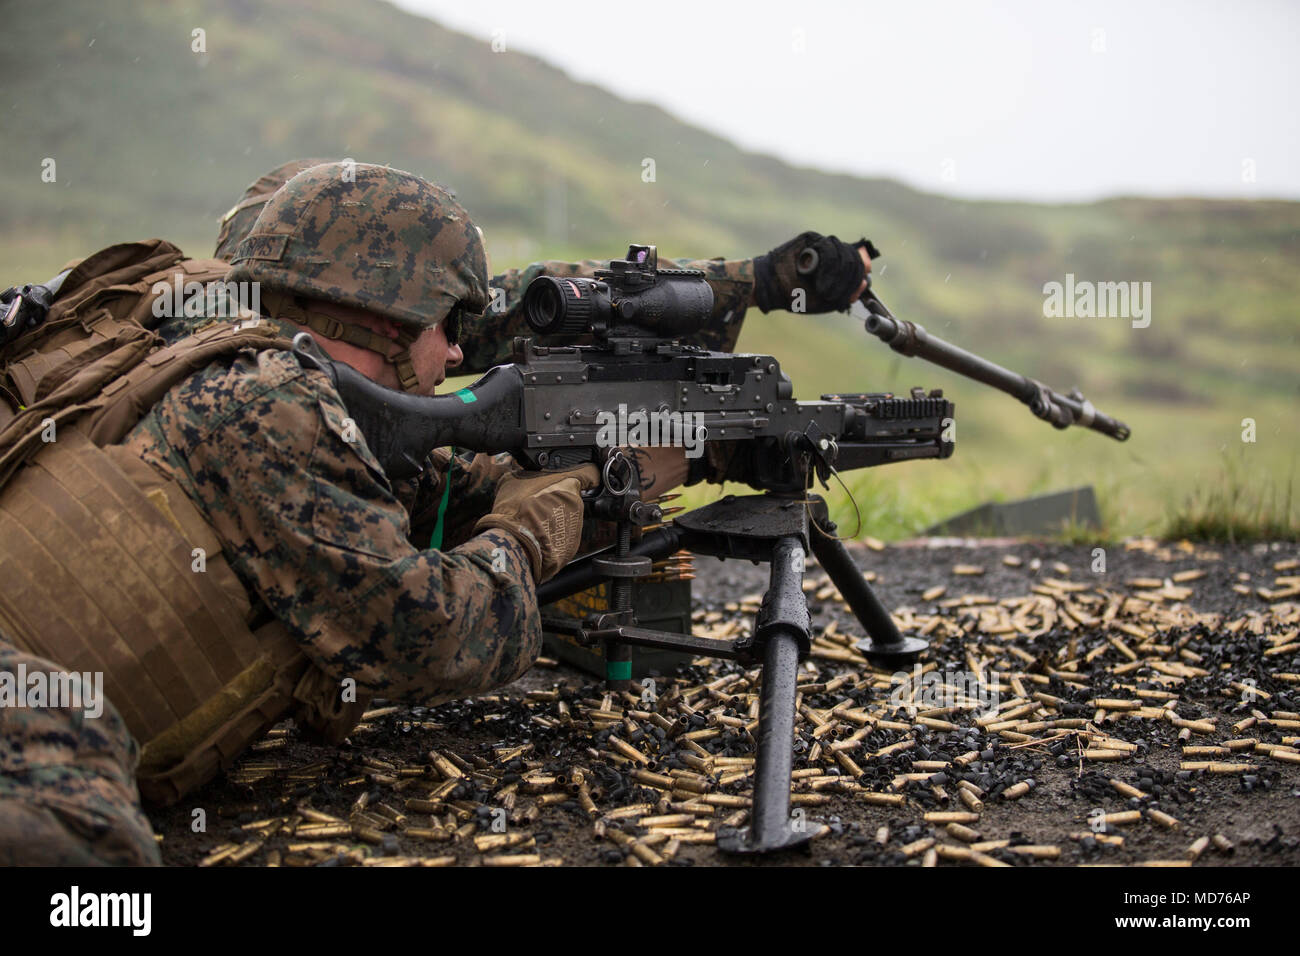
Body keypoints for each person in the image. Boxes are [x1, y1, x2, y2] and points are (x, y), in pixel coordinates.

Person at [0, 160, 874, 865]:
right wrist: (543, 523)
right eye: (447, 323)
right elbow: (440, 637)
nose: (460, 350)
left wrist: (565, 457)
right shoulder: (270, 403)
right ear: (382, 312)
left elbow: (400, 481)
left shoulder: (195, 318)